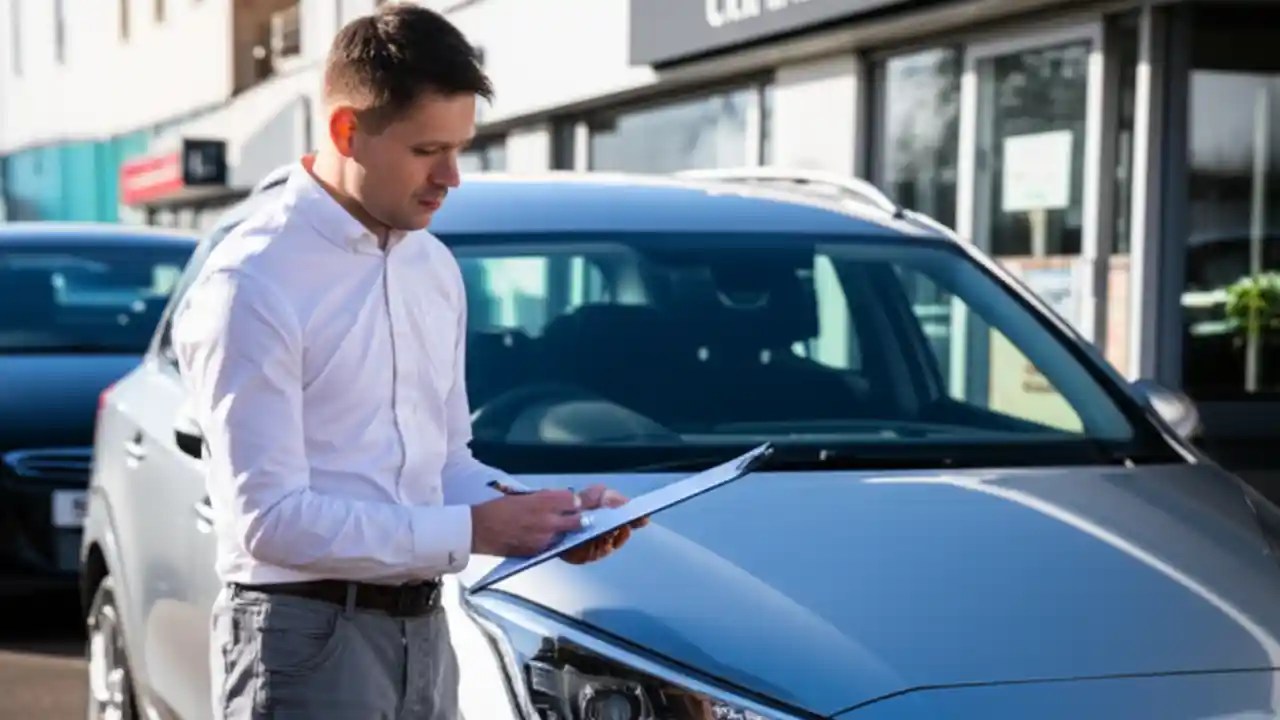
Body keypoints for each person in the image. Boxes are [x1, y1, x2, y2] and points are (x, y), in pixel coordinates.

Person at [170, 4, 644, 718]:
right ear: (346, 131)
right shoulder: (253, 281)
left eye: (460, 148)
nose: (452, 176)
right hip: (302, 645)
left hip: (426, 632)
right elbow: (267, 520)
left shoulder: (433, 267)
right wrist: (473, 532)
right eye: (428, 150)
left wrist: (548, 518)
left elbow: (443, 465)